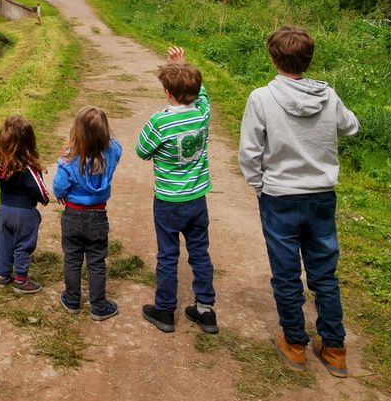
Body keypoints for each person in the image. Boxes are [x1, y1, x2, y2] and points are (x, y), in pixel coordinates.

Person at [239, 25, 360, 377]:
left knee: (286, 272)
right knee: (324, 272)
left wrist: (259, 185)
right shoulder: (328, 96)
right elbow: (351, 127)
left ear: (273, 58)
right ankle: (334, 347)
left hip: (280, 197)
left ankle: (294, 343)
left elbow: (250, 152)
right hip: (321, 196)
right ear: (309, 59)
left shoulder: (261, 98)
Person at [137, 46, 218, 334]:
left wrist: (176, 69)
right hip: (197, 199)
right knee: (200, 253)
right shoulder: (202, 114)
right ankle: (205, 310)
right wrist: (183, 66)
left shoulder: (161, 121)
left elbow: (142, 151)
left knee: (168, 255)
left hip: (169, 200)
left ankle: (165, 310)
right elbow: (204, 97)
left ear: (168, 92)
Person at [52, 106, 122, 321]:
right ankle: (99, 306)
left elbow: (58, 188)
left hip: (73, 215)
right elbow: (116, 146)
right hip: (98, 216)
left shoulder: (69, 160)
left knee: (72, 258)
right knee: (96, 260)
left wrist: (66, 157)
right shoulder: (111, 152)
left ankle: (72, 301)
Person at [0, 114, 51, 294]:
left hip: (4, 211)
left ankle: (3, 276)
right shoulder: (29, 168)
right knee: (23, 245)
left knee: (5, 243)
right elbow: (41, 190)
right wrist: (45, 199)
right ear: (30, 142)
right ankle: (21, 280)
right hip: (24, 214)